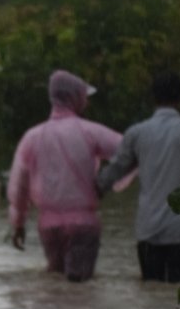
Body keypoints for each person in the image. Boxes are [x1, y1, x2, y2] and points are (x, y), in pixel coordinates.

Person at [7, 70, 123, 282]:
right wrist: (105, 182)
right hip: (83, 225)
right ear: (75, 98)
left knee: (57, 284)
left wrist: (18, 224)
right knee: (80, 286)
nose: (86, 102)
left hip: (48, 226)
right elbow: (128, 152)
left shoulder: (32, 137)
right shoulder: (91, 132)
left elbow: (18, 186)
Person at [95, 71, 180, 283]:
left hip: (148, 230)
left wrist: (96, 189)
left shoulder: (137, 133)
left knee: (151, 294)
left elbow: (116, 168)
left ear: (153, 98)